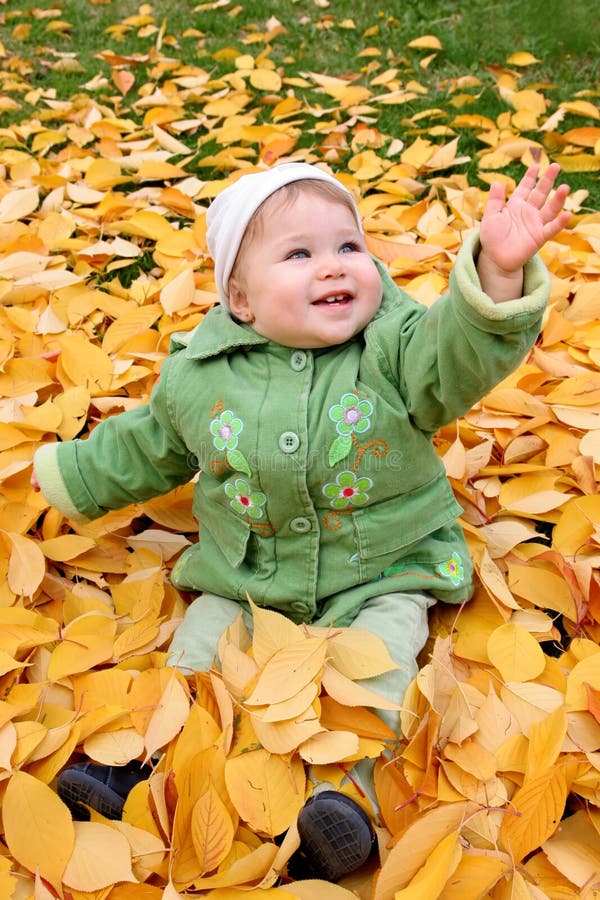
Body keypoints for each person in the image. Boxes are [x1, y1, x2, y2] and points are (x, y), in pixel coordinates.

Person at [33, 160, 570, 882]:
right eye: (299, 253)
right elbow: (148, 446)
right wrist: (67, 480)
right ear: (240, 298)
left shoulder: (395, 349)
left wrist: (497, 277)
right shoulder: (199, 375)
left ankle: (346, 799)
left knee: (380, 665)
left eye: (349, 246)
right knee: (196, 652)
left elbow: (457, 354)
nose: (333, 267)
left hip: (381, 567)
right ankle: (140, 766)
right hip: (246, 574)